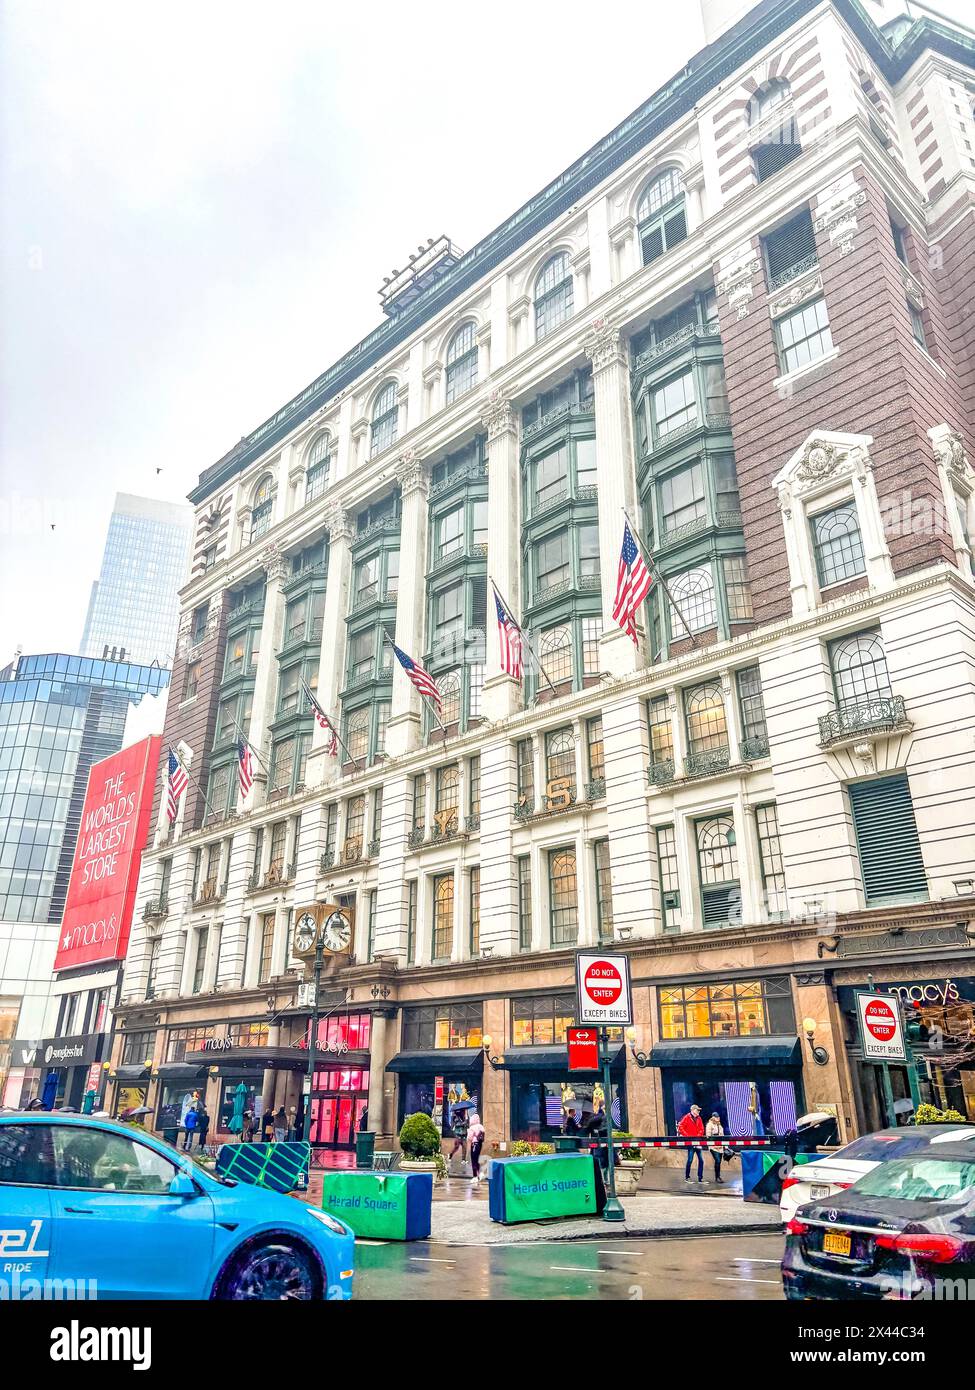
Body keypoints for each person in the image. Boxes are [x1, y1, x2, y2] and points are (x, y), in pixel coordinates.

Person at [677, 1103, 705, 1182]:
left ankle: (700, 1177)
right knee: (690, 1159)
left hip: (697, 1142)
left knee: (701, 1160)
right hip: (690, 1142)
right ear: (693, 1110)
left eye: (699, 1110)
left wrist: (698, 1136)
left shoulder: (699, 1118)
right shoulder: (687, 1117)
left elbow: (702, 1129)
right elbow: (680, 1126)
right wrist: (687, 1136)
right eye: (697, 1110)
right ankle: (687, 1177)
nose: (698, 1111)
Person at [705, 1112, 724, 1183]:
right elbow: (708, 1135)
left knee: (719, 1162)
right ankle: (717, 1177)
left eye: (718, 1117)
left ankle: (718, 1176)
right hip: (713, 1146)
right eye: (716, 1117)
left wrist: (725, 1146)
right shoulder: (709, 1125)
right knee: (717, 1160)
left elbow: (722, 1135)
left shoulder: (719, 1125)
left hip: (720, 1146)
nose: (718, 1118)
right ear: (713, 1117)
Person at [467, 1111, 485, 1185]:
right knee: (477, 1159)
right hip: (479, 1144)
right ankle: (479, 1174)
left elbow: (469, 1138)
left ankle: (475, 1176)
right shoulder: (481, 1126)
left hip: (474, 1144)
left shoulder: (472, 1127)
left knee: (474, 1160)